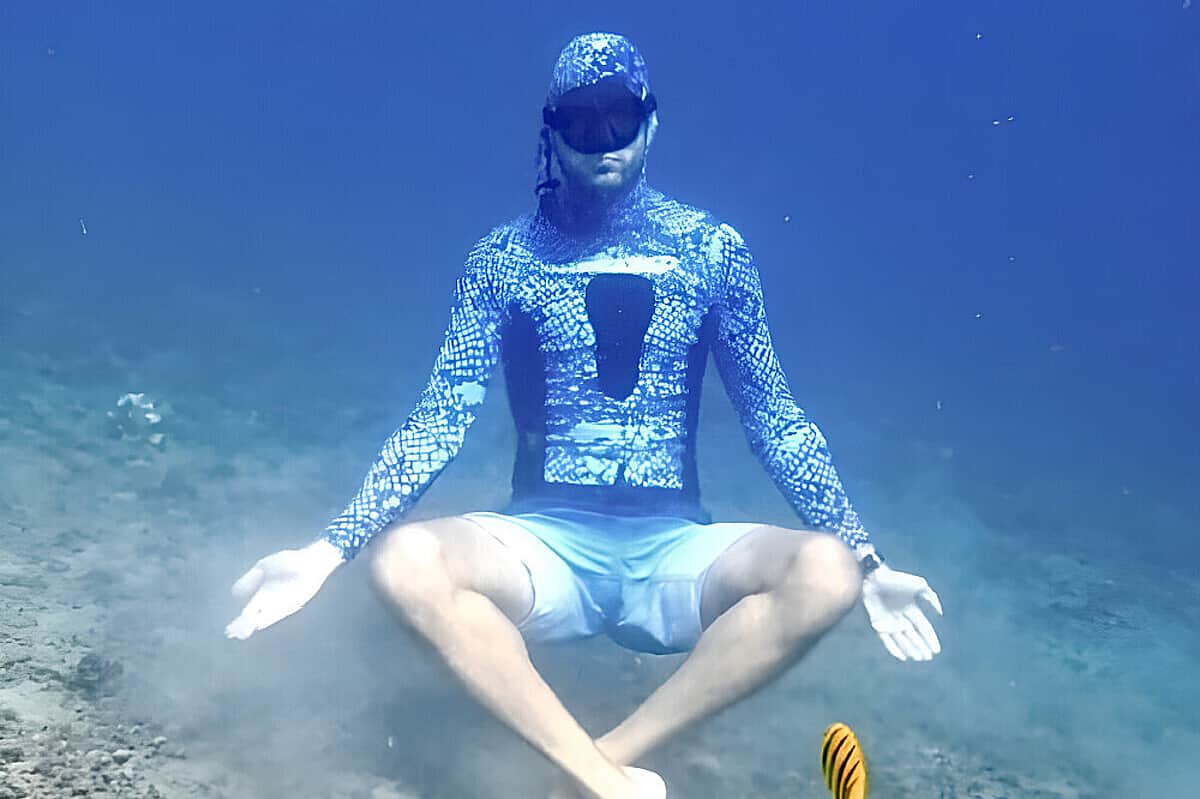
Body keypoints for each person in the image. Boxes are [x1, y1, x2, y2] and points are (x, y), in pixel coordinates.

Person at [225, 33, 943, 799]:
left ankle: (590, 766)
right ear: (551, 132)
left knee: (825, 571)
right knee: (403, 560)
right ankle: (606, 783)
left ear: (652, 123)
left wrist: (868, 560)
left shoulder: (711, 251)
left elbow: (775, 415)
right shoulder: (502, 258)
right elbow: (440, 416)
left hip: (674, 551)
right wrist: (327, 550)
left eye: (620, 119)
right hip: (543, 549)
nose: (603, 141)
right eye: (581, 122)